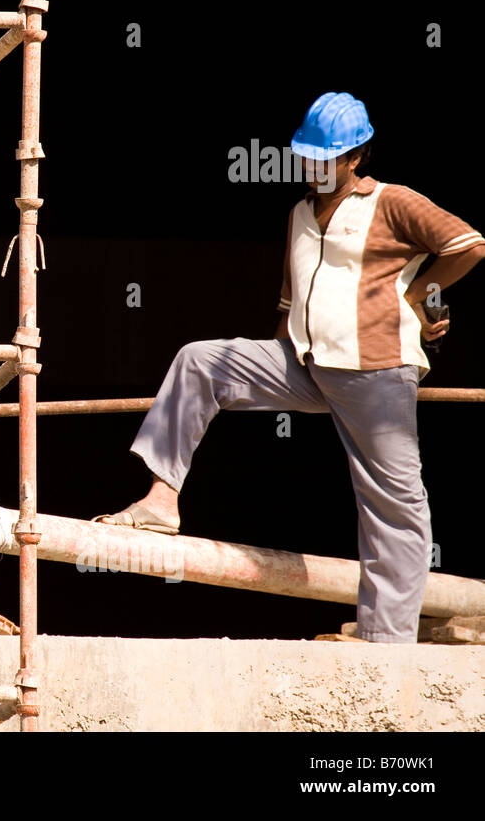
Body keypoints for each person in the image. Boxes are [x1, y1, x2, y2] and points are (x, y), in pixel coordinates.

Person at [94, 91, 485, 644]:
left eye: (327, 158)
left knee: (394, 505)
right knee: (200, 360)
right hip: (304, 362)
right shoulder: (300, 213)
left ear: (356, 158)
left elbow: (468, 244)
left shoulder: (391, 203)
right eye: (307, 156)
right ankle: (161, 499)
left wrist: (419, 296)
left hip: (374, 372)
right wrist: (268, 370)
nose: (314, 167)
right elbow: (288, 302)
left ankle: (387, 639)